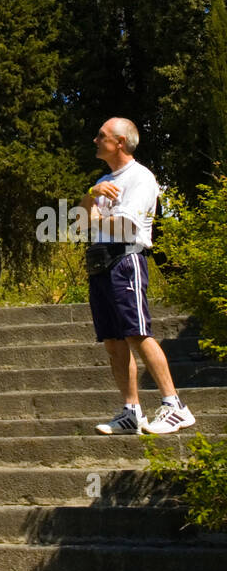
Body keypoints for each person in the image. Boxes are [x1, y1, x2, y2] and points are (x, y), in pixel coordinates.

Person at [78, 117, 195, 436]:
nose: (95, 140)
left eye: (101, 136)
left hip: (126, 260)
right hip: (100, 264)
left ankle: (175, 405)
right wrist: (92, 193)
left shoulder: (141, 178)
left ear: (119, 142)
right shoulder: (103, 180)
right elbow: (79, 220)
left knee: (137, 333)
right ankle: (131, 411)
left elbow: (126, 226)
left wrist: (98, 217)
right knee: (114, 341)